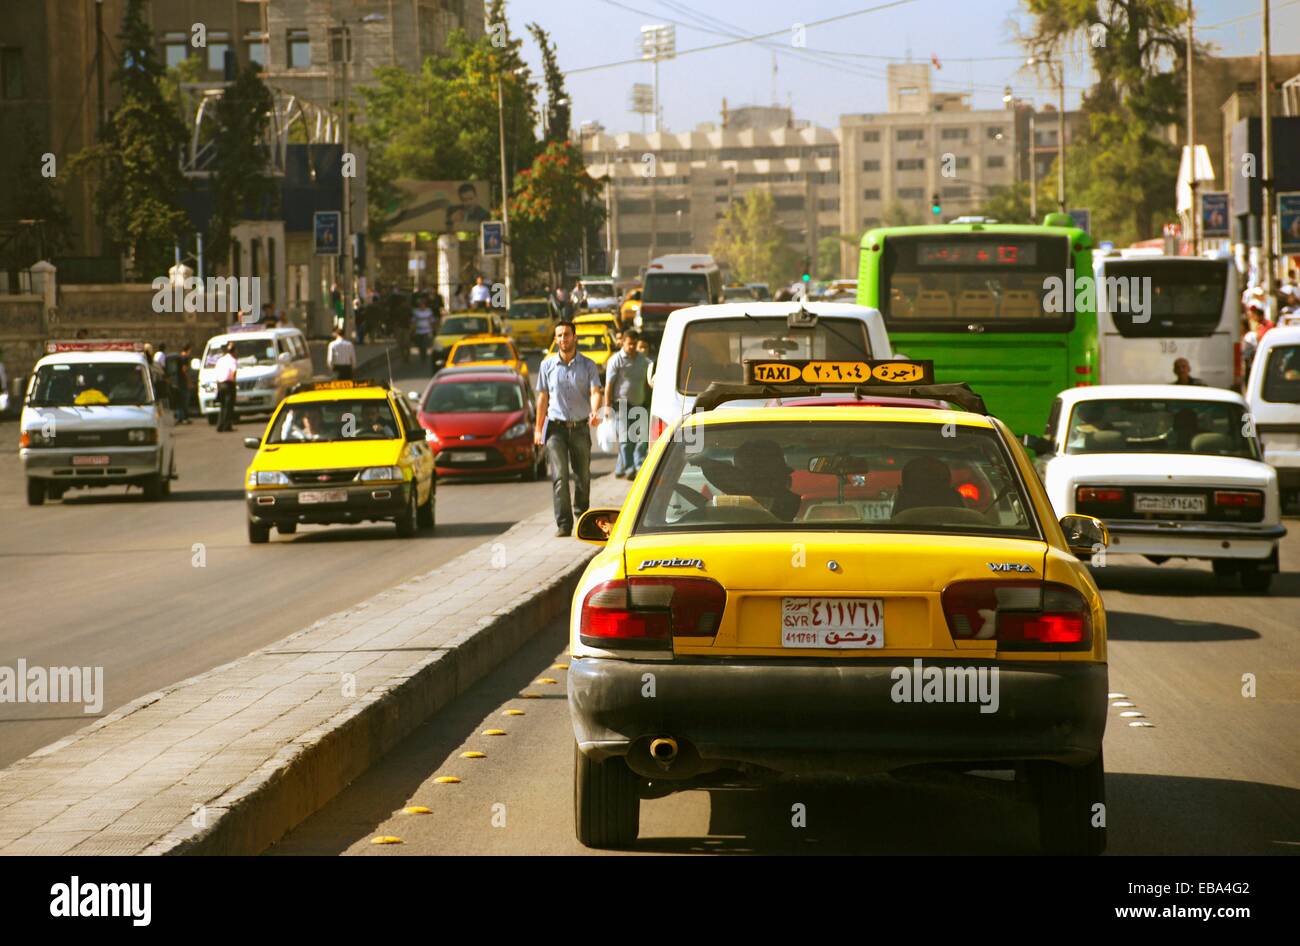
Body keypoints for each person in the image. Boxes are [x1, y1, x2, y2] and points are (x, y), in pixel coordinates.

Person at [535, 321, 604, 536]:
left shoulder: (588, 365)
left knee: (582, 476)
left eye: (567, 335)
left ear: (575, 337)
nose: (563, 339)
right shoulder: (546, 366)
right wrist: (538, 429)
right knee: (560, 476)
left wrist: (595, 411)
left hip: (581, 428)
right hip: (555, 429)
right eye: (559, 335)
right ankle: (564, 524)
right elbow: (543, 398)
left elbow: (595, 391)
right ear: (555, 339)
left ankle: (582, 517)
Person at [604, 329, 650, 479]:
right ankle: (629, 469)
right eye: (629, 344)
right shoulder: (615, 360)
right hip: (621, 405)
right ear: (623, 342)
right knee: (625, 439)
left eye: (634, 344)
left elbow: (652, 374)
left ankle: (638, 465)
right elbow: (609, 385)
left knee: (640, 439)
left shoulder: (643, 360)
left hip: (640, 405)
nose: (632, 347)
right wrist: (607, 406)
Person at [214, 342, 239, 431]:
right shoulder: (233, 360)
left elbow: (217, 372)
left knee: (223, 406)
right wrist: (234, 381)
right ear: (234, 351)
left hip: (220, 384)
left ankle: (220, 425)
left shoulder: (221, 360)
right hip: (229, 384)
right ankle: (227, 426)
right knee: (229, 406)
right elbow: (234, 372)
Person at [169, 343, 192, 423]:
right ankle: (184, 418)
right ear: (188, 349)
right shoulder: (185, 358)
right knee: (184, 399)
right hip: (183, 381)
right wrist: (189, 381)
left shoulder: (178, 357)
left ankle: (179, 417)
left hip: (177, 380)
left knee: (179, 399)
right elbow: (184, 370)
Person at [412, 296, 435, 365]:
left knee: (425, 345)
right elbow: (414, 321)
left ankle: (424, 357)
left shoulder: (429, 311)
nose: (421, 306)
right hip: (419, 331)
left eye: (423, 304)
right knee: (420, 345)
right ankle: (422, 356)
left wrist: (433, 329)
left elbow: (432, 320)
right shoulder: (416, 312)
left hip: (427, 331)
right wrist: (413, 330)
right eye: (420, 304)